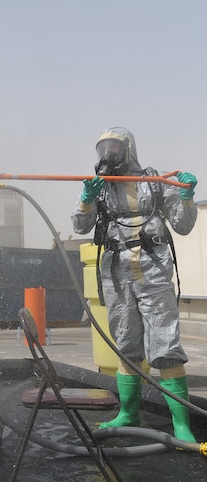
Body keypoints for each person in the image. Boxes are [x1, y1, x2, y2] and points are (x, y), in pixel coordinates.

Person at [72, 126, 198, 442]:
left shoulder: (155, 184)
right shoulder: (101, 189)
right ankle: (128, 413)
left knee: (165, 347)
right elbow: (79, 224)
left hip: (153, 273)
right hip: (116, 275)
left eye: (114, 149)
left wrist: (185, 197)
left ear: (129, 150)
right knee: (126, 346)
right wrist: (86, 201)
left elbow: (183, 225)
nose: (107, 156)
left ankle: (181, 425)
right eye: (103, 150)